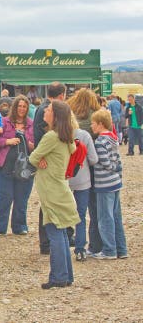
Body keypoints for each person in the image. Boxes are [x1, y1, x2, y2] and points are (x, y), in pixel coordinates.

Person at [29, 100, 80, 289]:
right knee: (62, 233)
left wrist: (40, 158)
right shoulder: (65, 136)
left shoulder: (51, 136)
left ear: (55, 115)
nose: (45, 111)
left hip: (51, 190)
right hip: (60, 188)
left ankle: (58, 276)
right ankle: (65, 275)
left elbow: (33, 157)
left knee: (55, 233)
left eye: (49, 109)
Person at [0, 95, 35, 235]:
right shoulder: (4, 122)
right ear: (14, 107)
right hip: (6, 165)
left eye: (24, 106)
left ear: (27, 108)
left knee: (22, 197)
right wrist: (7, 141)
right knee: (5, 196)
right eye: (19, 106)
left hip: (25, 167)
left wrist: (29, 143)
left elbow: (36, 144)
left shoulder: (31, 124)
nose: (21, 109)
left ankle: (20, 226)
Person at [90, 109, 129, 260]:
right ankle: (121, 249)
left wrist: (110, 168)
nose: (92, 126)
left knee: (105, 218)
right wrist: (117, 172)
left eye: (93, 123)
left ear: (100, 124)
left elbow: (104, 162)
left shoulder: (100, 141)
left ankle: (109, 250)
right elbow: (117, 160)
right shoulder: (113, 138)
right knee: (116, 216)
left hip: (104, 183)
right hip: (115, 182)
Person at [34, 81, 66, 254]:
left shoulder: (45, 107)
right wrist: (42, 157)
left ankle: (53, 239)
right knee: (48, 202)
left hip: (49, 158)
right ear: (62, 95)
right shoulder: (47, 109)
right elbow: (41, 136)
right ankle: (46, 242)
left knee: (52, 200)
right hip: (47, 161)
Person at [68, 114, 98, 261]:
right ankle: (80, 249)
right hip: (82, 179)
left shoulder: (57, 135)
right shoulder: (84, 135)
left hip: (64, 180)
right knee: (80, 215)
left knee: (63, 214)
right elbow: (93, 159)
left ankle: (62, 243)